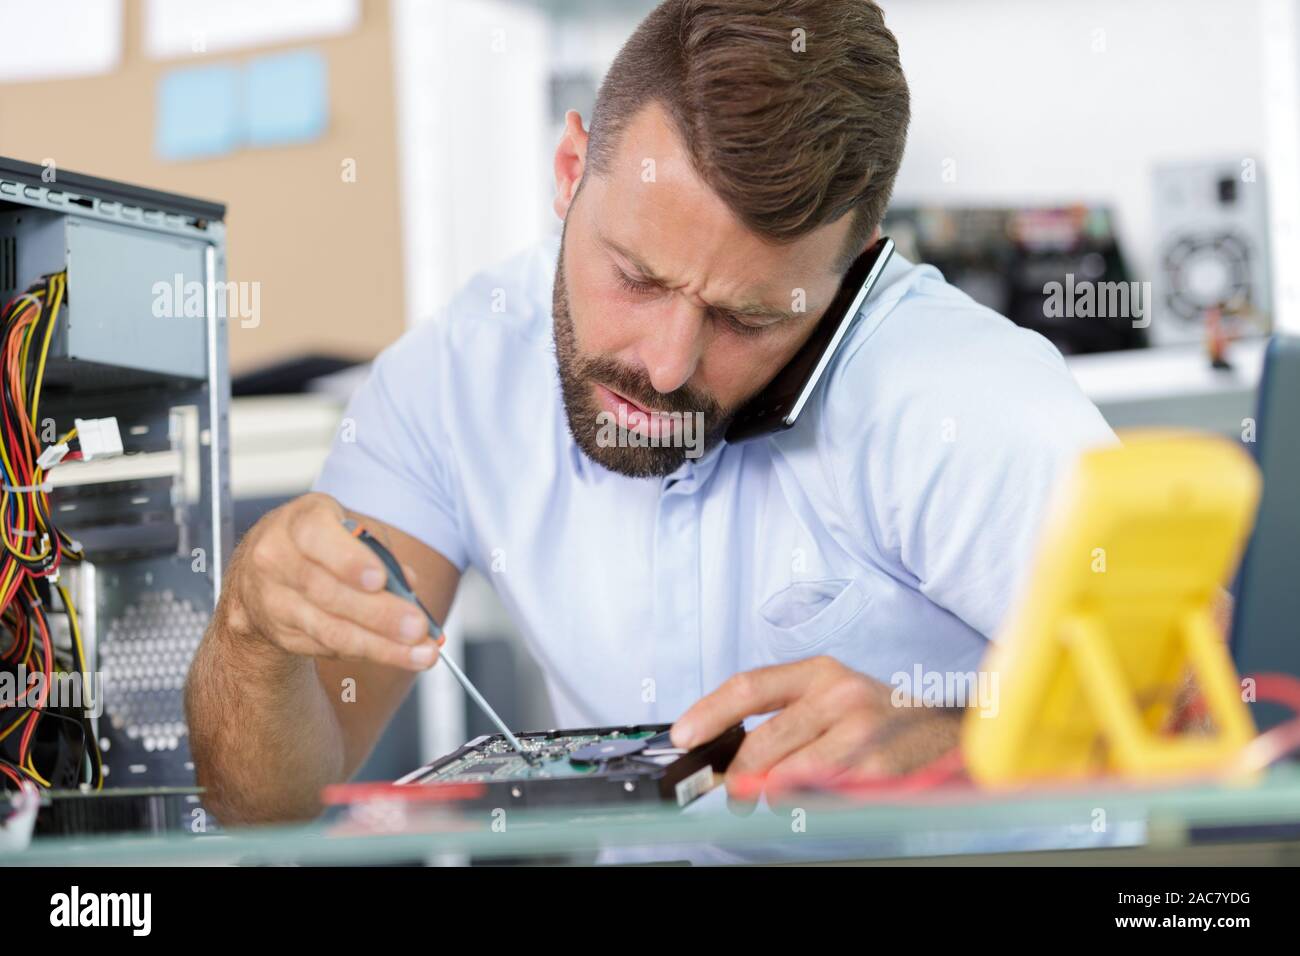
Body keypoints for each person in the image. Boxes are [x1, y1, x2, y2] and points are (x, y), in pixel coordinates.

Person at [186, 0, 1114, 823]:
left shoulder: (959, 399)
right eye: (635, 276)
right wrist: (251, 632)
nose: (666, 367)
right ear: (568, 170)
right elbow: (271, 810)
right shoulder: (454, 377)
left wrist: (959, 741)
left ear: (853, 273)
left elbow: (1230, 701)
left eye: (747, 317)